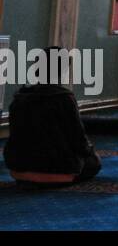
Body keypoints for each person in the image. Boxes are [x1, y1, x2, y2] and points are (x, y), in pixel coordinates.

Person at [4, 50, 101, 187]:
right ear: (62, 71)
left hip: (19, 171)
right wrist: (91, 152)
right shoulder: (64, 98)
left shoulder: (20, 97)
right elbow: (79, 141)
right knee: (93, 161)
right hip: (58, 172)